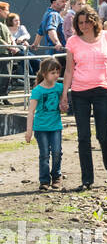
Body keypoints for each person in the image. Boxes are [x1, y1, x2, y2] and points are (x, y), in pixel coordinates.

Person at [60, 8, 107, 191]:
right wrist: (65, 93)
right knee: (83, 137)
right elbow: (69, 70)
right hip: (80, 92)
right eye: (80, 23)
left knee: (103, 133)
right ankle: (87, 179)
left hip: (103, 90)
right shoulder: (73, 41)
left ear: (94, 22)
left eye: (87, 22)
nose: (84, 26)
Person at [25, 57, 64, 191]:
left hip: (56, 126)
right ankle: (44, 180)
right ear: (44, 73)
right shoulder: (37, 90)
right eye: (52, 72)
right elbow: (31, 112)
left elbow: (64, 105)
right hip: (41, 128)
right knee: (44, 154)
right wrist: (29, 130)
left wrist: (64, 107)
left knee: (57, 151)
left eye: (57, 72)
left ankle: (57, 177)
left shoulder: (60, 87)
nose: (56, 75)